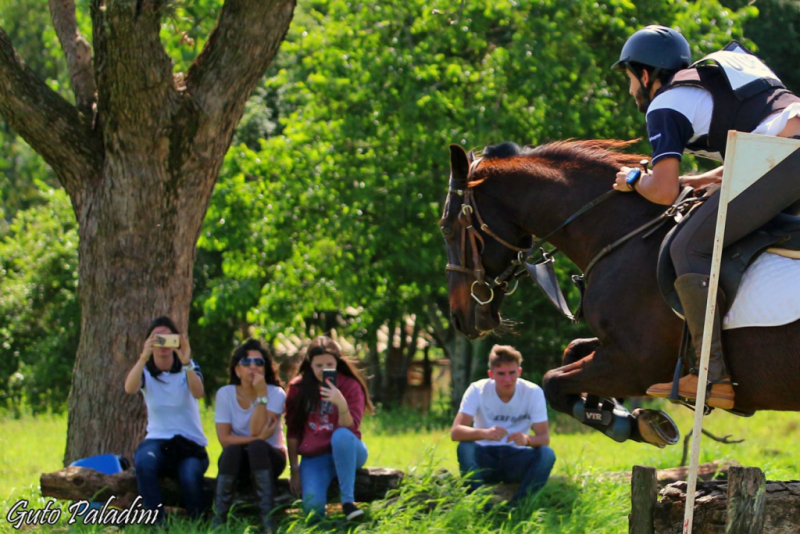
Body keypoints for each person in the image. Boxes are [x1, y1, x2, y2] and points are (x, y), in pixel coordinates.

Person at [611, 25, 800, 409]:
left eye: (629, 79)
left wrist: (633, 178)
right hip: (782, 151)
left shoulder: (665, 104)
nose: (630, 90)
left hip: (786, 157)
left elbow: (663, 193)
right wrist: (693, 181)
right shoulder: (712, 82)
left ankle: (712, 377)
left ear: (645, 75)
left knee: (687, 247)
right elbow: (750, 149)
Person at [123, 316, 208, 521]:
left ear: (177, 341)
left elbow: (198, 392)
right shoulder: (146, 372)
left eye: (168, 339)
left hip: (190, 443)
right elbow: (130, 388)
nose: (163, 344)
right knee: (144, 462)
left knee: (189, 475)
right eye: (157, 339)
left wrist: (186, 362)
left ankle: (197, 523)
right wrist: (143, 357)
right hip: (158, 440)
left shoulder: (189, 368)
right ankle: (156, 523)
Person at [451, 345, 555, 505]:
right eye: (501, 374)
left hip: (517, 457)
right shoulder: (477, 390)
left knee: (547, 454)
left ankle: (520, 505)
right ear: (491, 374)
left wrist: (527, 440)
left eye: (512, 373)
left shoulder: (533, 392)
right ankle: (479, 503)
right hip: (485, 457)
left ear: (519, 372)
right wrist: (484, 433)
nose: (507, 379)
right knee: (464, 447)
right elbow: (456, 432)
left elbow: (544, 438)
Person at [284, 336, 374, 520]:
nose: (324, 369)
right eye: (319, 365)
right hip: (315, 458)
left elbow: (351, 427)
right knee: (313, 511)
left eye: (329, 364)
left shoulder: (350, 385)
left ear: (337, 362)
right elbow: (292, 431)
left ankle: (348, 502)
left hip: (348, 449)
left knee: (340, 436)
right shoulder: (298, 388)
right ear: (310, 364)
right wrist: (294, 469)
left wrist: (341, 404)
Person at [213, 339, 287, 532]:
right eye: (246, 362)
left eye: (259, 362)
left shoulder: (276, 393)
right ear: (237, 370)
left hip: (269, 459)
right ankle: (219, 520)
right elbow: (225, 439)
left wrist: (261, 396)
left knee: (256, 447)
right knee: (232, 450)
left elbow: (255, 429)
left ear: (265, 368)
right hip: (238, 460)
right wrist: (258, 438)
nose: (253, 366)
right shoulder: (225, 394)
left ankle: (268, 520)